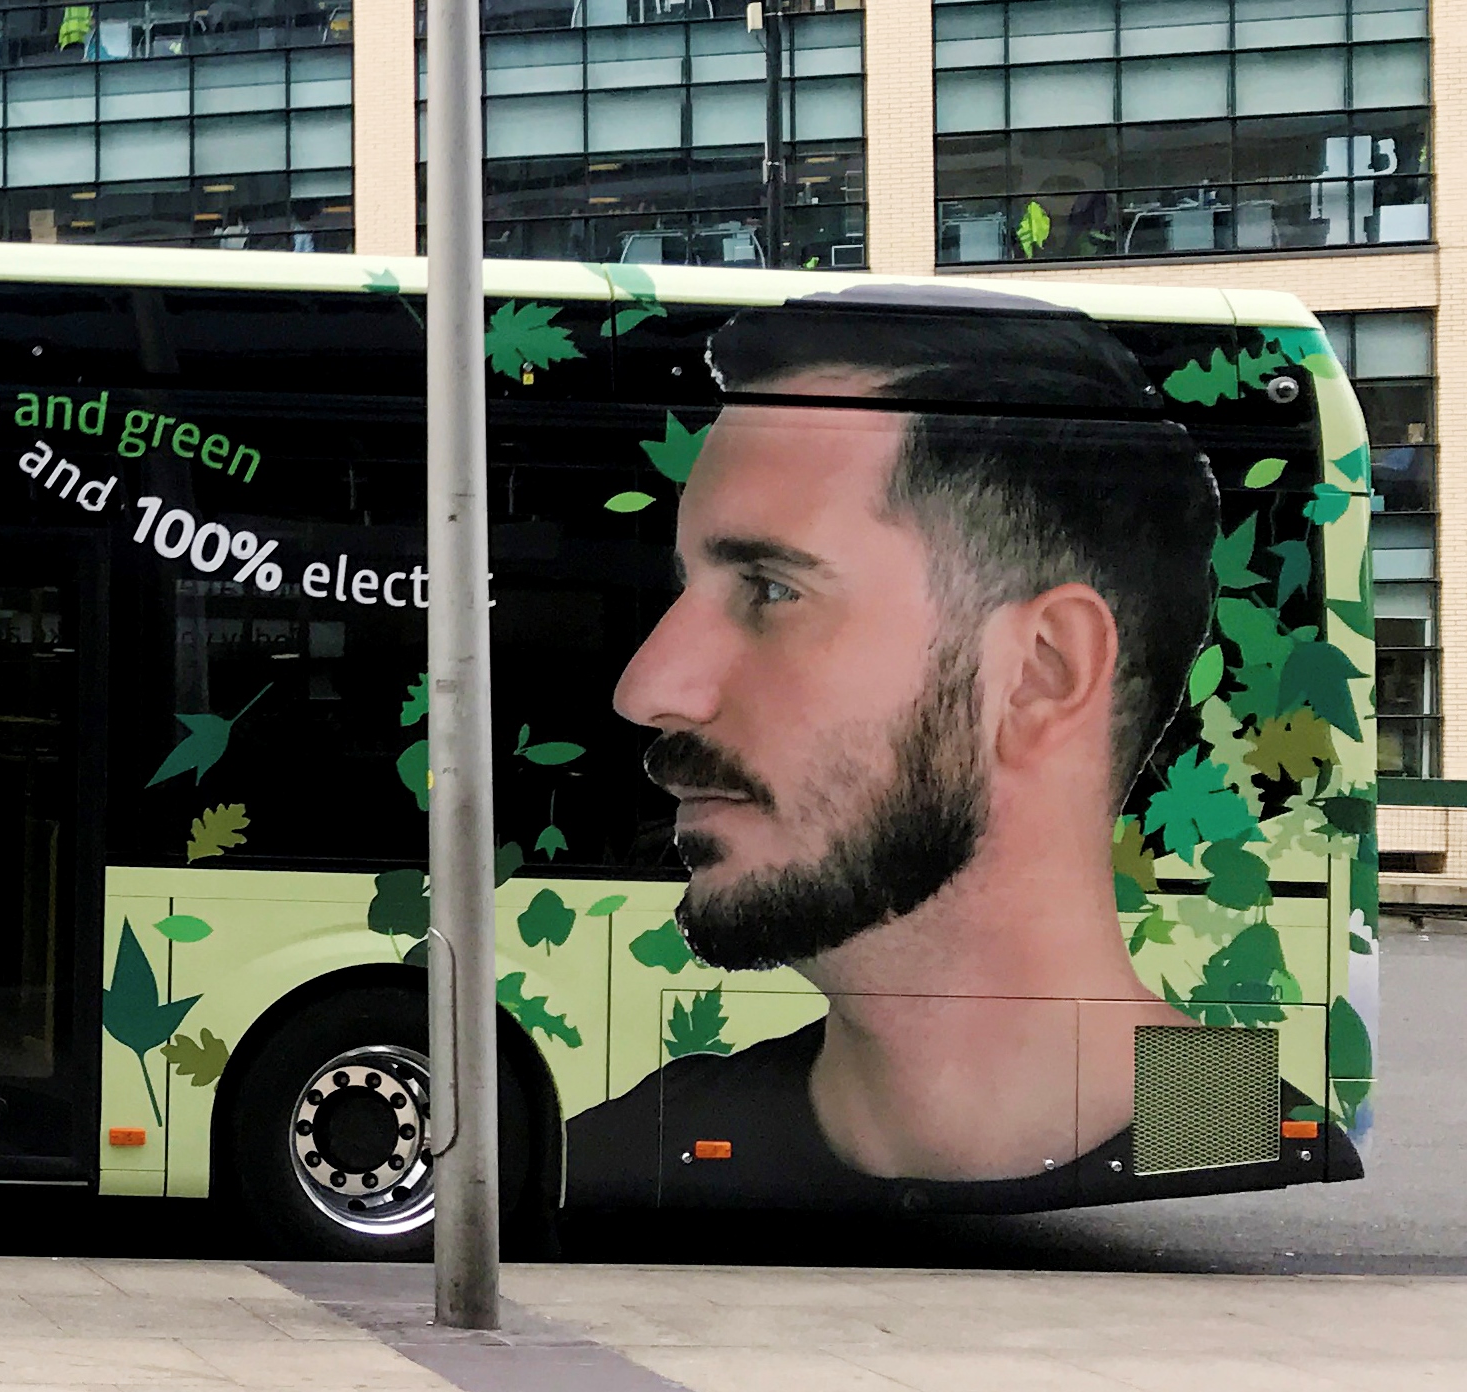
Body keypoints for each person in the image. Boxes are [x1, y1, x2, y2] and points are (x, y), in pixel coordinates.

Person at [567, 284, 1335, 1210]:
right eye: (688, 587)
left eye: (770, 590)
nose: (649, 688)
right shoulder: (640, 1139)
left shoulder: (1228, 1141)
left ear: (1040, 672)